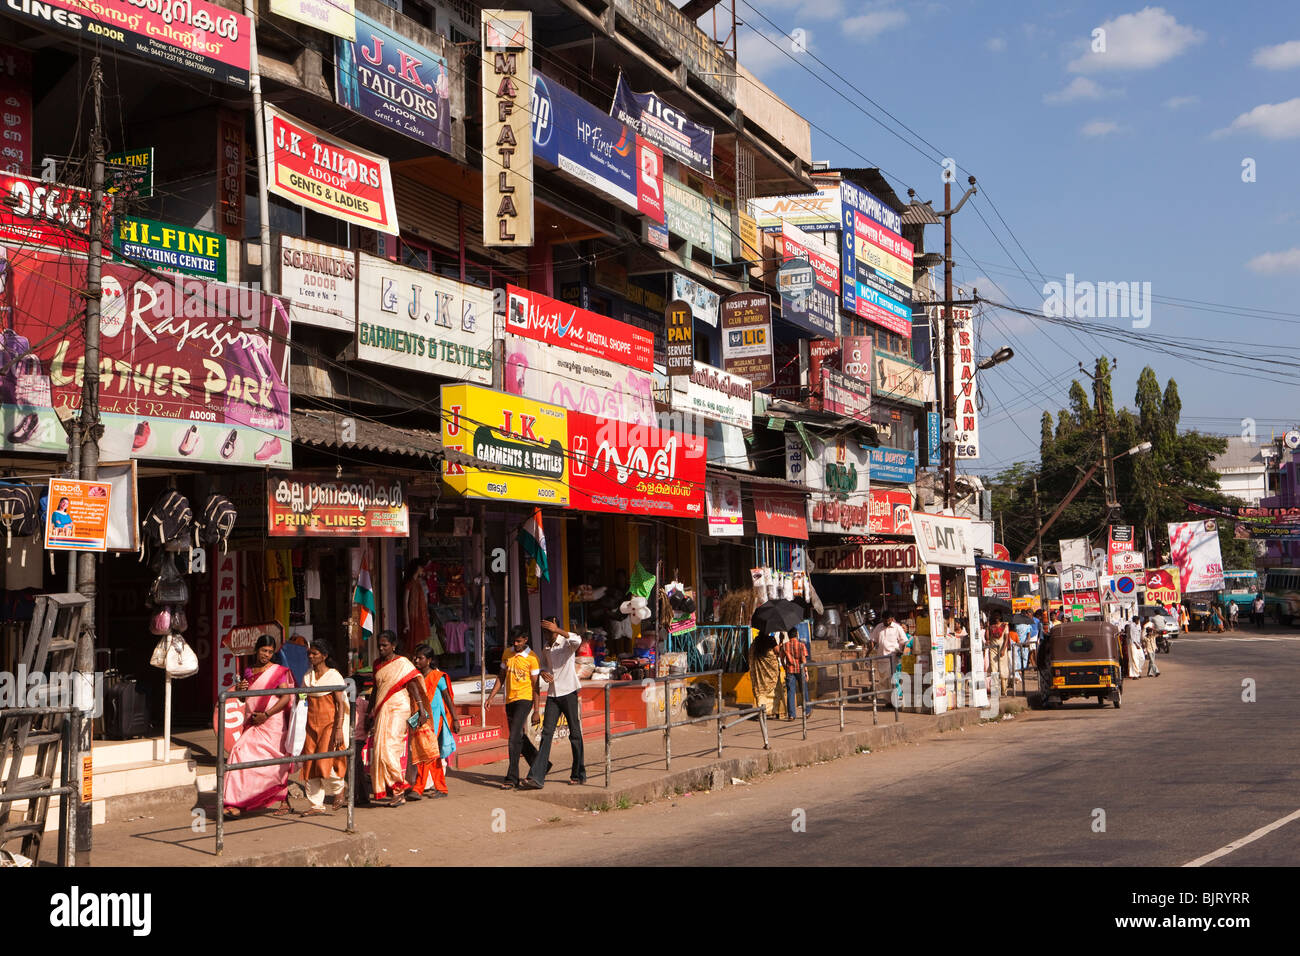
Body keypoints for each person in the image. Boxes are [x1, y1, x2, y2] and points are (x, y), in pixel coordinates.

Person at [224, 635, 296, 819]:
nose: (267, 654)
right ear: (257, 650)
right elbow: (243, 699)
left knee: (272, 765)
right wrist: (241, 690)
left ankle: (280, 799)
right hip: (253, 721)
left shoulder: (278, 671)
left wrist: (266, 715)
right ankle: (234, 801)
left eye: (270, 652)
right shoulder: (248, 671)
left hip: (272, 722)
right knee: (238, 753)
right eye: (264, 650)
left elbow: (286, 697)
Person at [368, 630, 428, 807]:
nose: (381, 648)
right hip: (382, 708)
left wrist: (421, 709)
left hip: (400, 706)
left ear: (393, 646)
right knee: (379, 750)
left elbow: (413, 686)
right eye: (379, 645)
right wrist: (369, 712)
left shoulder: (402, 663)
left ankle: (398, 788)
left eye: (385, 645)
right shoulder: (377, 664)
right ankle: (396, 789)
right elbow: (376, 689)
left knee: (389, 748)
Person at [526, 616, 586, 788]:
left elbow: (577, 639)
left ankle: (579, 773)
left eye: (549, 630)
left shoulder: (566, 643)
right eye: (544, 631)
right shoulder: (545, 647)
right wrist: (544, 672)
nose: (546, 634)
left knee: (575, 733)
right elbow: (544, 665)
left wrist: (558, 630)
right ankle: (537, 776)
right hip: (553, 695)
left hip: (569, 692)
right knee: (546, 734)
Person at [487, 625, 543, 790]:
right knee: (518, 736)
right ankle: (540, 764)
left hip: (524, 699)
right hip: (509, 700)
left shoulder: (532, 658)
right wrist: (491, 697)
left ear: (525, 640)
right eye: (514, 641)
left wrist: (537, 710)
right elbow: (501, 676)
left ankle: (512, 777)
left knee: (513, 738)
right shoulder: (507, 653)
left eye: (519, 641)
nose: (516, 644)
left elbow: (536, 686)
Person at [300, 640, 349, 815]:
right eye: (310, 654)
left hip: (330, 723)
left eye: (315, 654)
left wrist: (338, 729)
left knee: (325, 761)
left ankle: (339, 790)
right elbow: (302, 699)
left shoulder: (334, 676)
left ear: (325, 656)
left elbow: (340, 704)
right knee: (310, 764)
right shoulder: (308, 677)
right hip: (311, 724)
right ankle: (316, 805)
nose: (311, 657)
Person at [411, 643, 459, 798]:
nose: (417, 660)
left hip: (434, 721)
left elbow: (448, 699)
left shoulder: (437, 677)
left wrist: (455, 719)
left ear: (429, 660)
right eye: (416, 657)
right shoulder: (416, 677)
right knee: (426, 754)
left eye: (420, 658)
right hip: (420, 720)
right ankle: (426, 788)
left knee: (429, 753)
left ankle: (422, 788)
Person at [748, 631, 782, 717]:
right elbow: (778, 652)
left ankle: (762, 711)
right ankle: (774, 710)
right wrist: (781, 641)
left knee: (760, 690)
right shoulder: (771, 640)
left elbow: (751, 655)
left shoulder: (756, 642)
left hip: (759, 672)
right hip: (772, 672)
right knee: (775, 690)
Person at [778, 631, 808, 721]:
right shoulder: (801, 645)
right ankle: (807, 712)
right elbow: (803, 659)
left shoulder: (785, 645)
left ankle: (791, 715)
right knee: (804, 690)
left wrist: (784, 666)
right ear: (796, 635)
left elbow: (781, 658)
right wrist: (806, 672)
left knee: (791, 692)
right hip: (800, 670)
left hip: (789, 671)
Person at [987, 612, 1010, 694]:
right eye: (995, 616)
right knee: (994, 668)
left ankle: (1004, 689)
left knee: (1002, 668)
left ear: (1000, 617)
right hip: (993, 649)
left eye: (998, 616)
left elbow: (1006, 638)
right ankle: (995, 689)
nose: (996, 617)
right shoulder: (991, 626)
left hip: (1001, 648)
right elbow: (987, 638)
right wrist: (987, 627)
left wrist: (1004, 649)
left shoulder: (1005, 626)